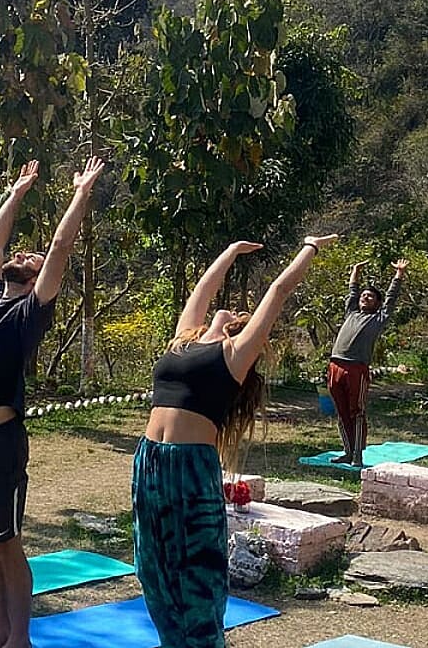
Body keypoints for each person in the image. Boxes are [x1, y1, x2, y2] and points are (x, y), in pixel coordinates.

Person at [133, 234, 338, 648]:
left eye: (242, 314)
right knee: (151, 569)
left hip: (190, 468)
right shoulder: (184, 340)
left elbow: (278, 291)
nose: (233, 309)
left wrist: (309, 247)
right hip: (149, 461)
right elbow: (202, 290)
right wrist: (228, 253)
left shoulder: (233, 354)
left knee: (196, 573)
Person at [0, 156, 103, 648]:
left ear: (38, 278)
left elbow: (60, 247)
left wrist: (80, 192)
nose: (23, 253)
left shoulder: (30, 312)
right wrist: (16, 192)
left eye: (31, 258)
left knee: (6, 543)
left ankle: (20, 637)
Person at [326, 258, 407, 466]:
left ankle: (358, 455)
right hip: (335, 366)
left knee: (357, 411)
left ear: (377, 303)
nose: (365, 297)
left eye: (370, 296)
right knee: (342, 411)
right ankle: (347, 450)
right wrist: (355, 270)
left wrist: (398, 274)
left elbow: (391, 299)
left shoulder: (379, 318)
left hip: (356, 369)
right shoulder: (351, 312)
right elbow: (352, 291)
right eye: (364, 295)